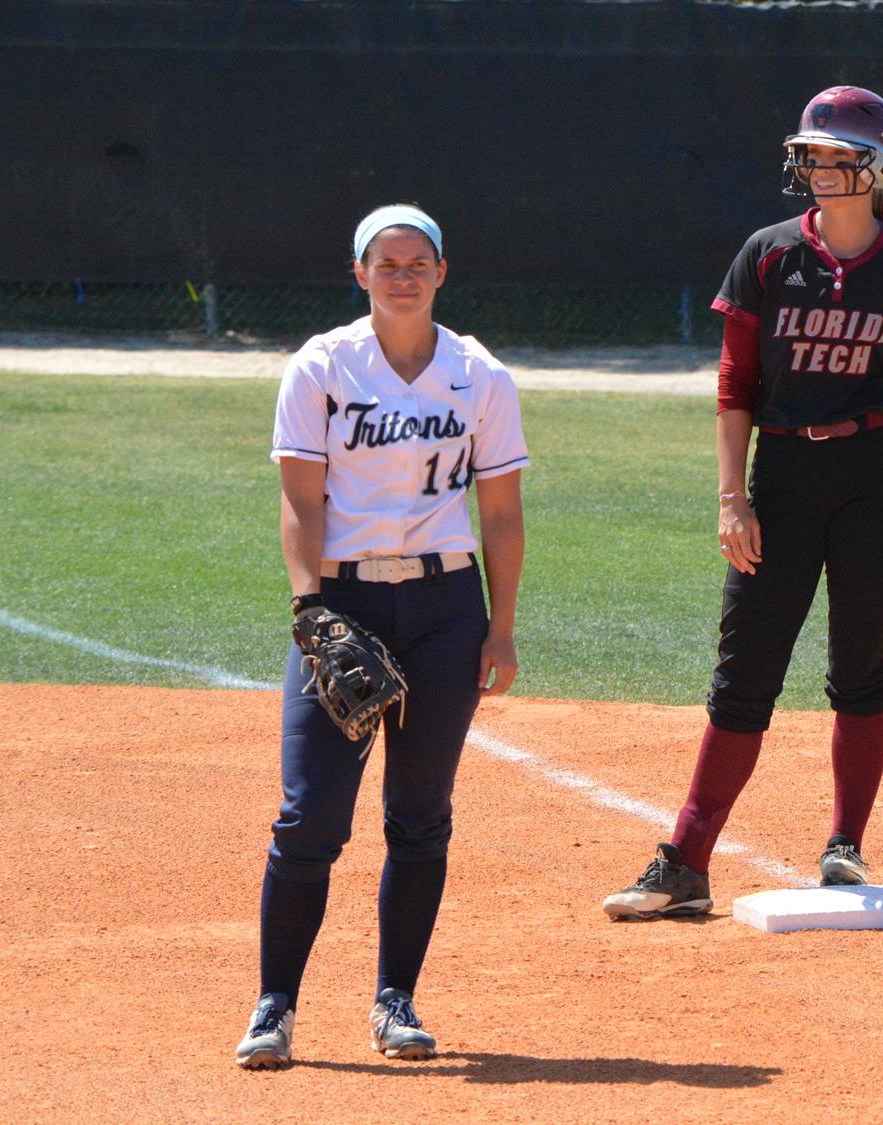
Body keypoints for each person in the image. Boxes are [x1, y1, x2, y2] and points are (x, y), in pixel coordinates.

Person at [602, 87, 883, 920]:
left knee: (860, 668)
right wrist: (732, 498)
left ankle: (845, 845)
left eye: (835, 156)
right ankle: (686, 861)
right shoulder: (767, 255)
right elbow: (735, 386)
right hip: (781, 479)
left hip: (876, 478)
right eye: (812, 154)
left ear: (874, 168)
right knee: (745, 670)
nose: (816, 167)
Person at [235, 204, 528, 1067]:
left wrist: (501, 626)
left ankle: (396, 999)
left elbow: (501, 511)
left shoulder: (481, 377)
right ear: (358, 273)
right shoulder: (323, 366)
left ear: (443, 272)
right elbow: (300, 499)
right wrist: (309, 609)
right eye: (385, 262)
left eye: (418, 262)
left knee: (420, 812)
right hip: (343, 609)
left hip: (445, 606)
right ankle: (274, 1004)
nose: (402, 274)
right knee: (309, 815)